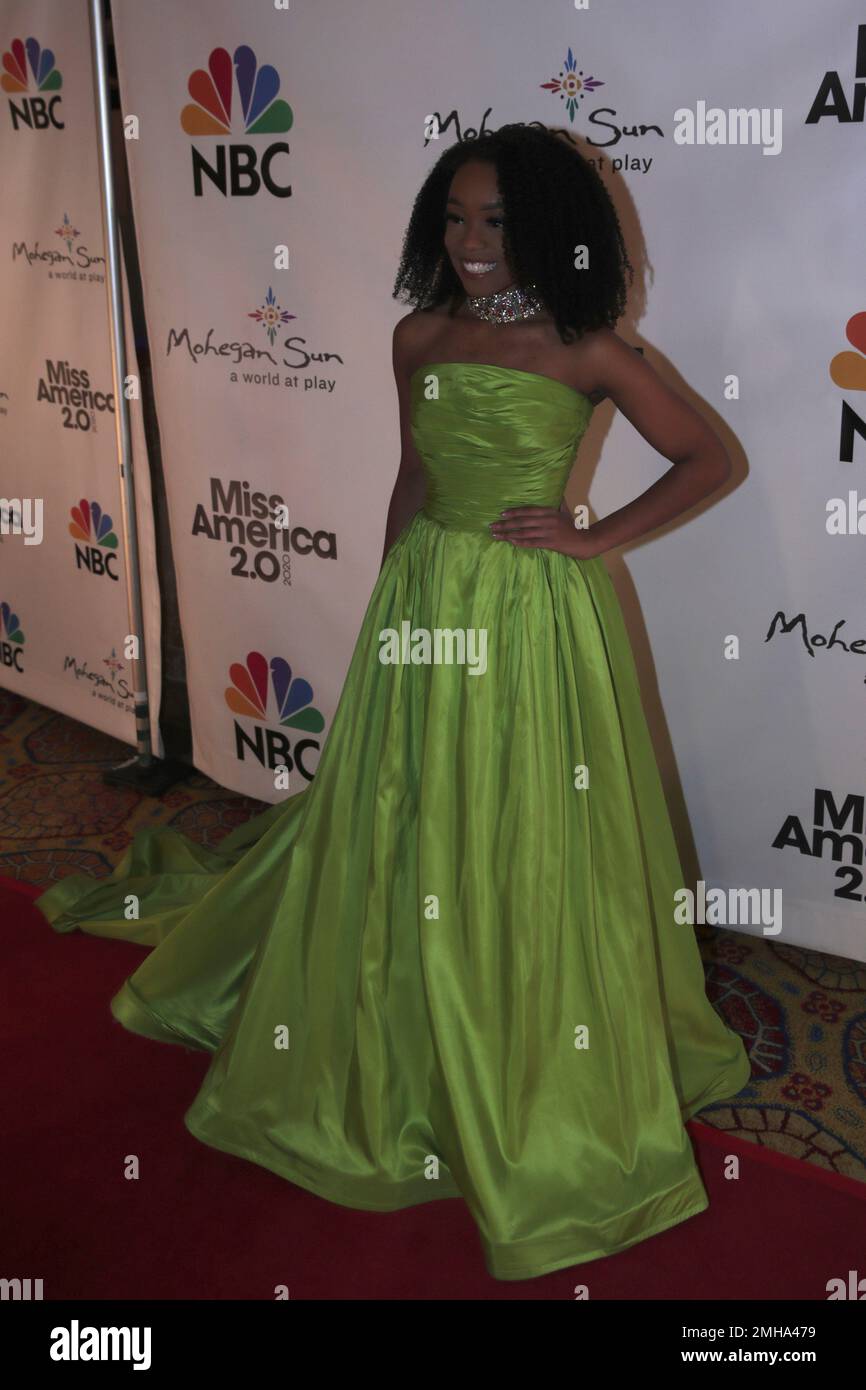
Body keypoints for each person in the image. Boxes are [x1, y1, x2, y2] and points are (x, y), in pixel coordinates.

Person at [35, 122, 751, 1283]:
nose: (472, 244)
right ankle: (408, 1016)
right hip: (426, 593)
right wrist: (387, 607)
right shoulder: (414, 335)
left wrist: (592, 536)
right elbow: (413, 476)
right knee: (409, 814)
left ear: (549, 230)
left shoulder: (590, 350)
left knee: (524, 822)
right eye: (457, 220)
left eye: (498, 223)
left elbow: (705, 458)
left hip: (530, 613)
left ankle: (524, 1037)